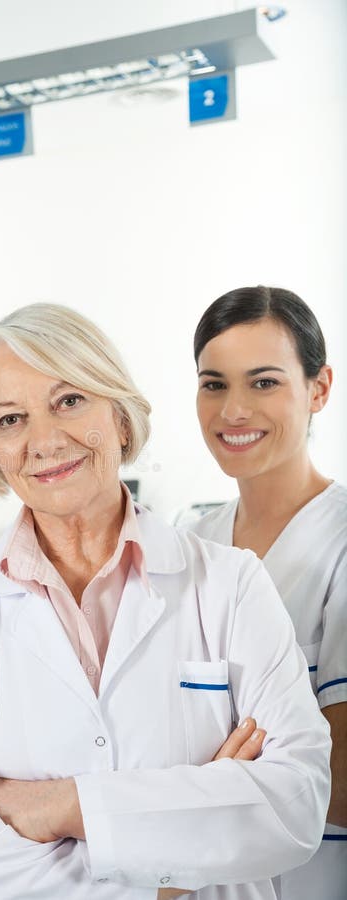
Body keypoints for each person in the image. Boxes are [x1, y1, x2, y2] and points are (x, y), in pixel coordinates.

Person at [0, 303, 330, 900]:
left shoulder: (231, 583)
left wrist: (62, 805)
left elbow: (293, 804)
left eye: (69, 401)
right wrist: (164, 867)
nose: (44, 439)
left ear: (120, 417)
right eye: (11, 418)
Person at [188, 285, 346, 900]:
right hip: (212, 880)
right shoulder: (192, 542)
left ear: (319, 388)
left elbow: (341, 777)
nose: (233, 411)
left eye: (263, 382)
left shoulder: (337, 542)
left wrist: (198, 788)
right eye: (213, 383)